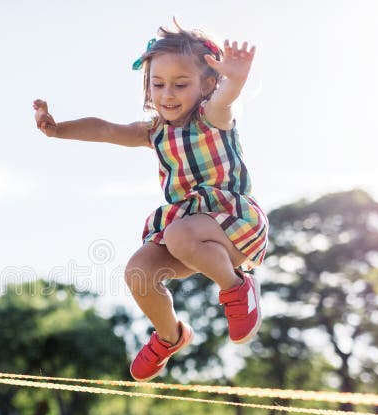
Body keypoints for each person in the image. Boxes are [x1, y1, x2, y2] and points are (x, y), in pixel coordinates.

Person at [33, 19, 267, 382]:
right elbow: (105, 129)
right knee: (139, 273)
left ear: (207, 84)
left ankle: (238, 287)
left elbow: (227, 98)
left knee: (177, 234)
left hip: (233, 226)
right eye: (158, 84)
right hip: (190, 234)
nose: (167, 94)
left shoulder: (212, 116)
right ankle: (171, 335)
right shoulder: (155, 131)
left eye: (180, 84)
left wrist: (234, 80)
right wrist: (57, 129)